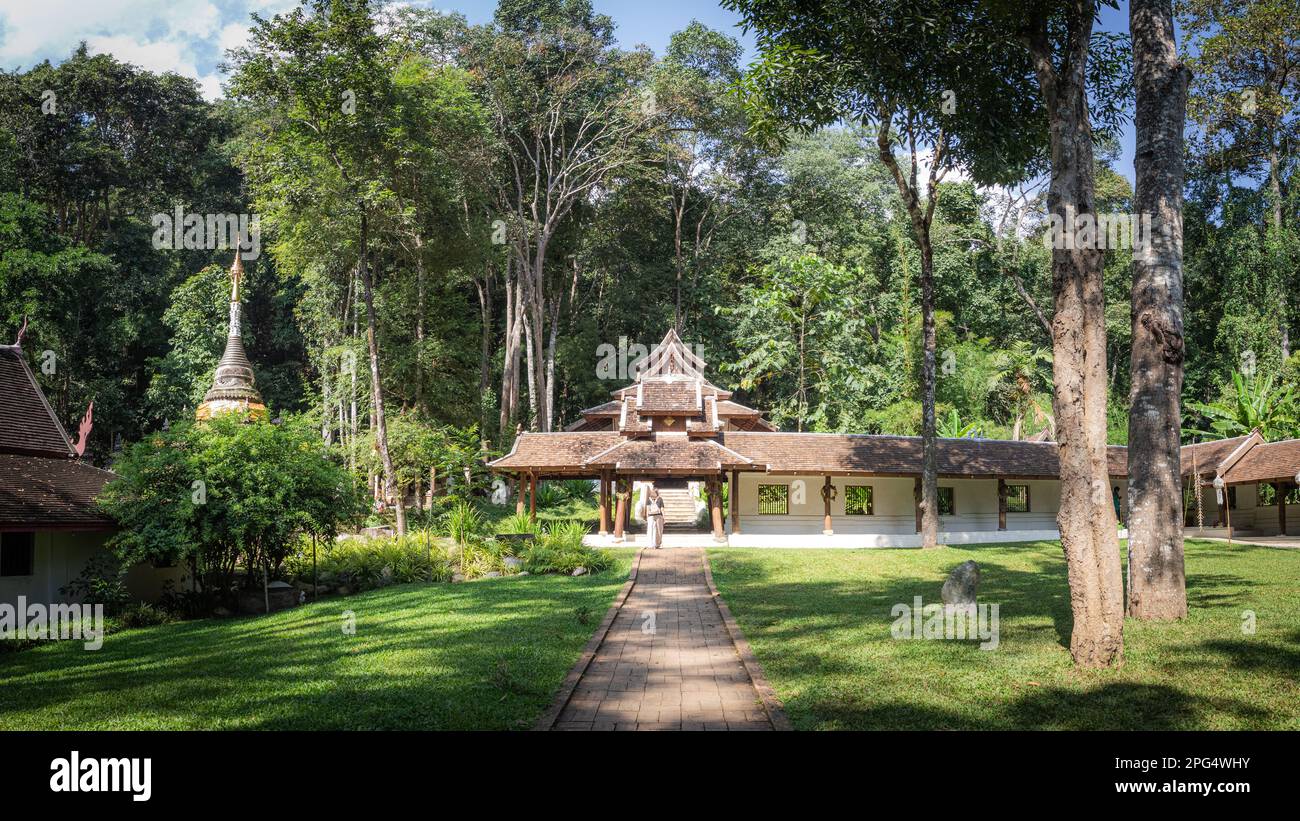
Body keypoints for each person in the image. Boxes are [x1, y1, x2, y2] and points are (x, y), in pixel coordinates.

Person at [641, 484, 664, 549]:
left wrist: (647, 516)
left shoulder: (649, 500)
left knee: (651, 530)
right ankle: (657, 544)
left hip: (651, 516)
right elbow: (662, 509)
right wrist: (664, 517)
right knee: (658, 530)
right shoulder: (660, 499)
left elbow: (648, 509)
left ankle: (651, 544)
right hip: (658, 515)